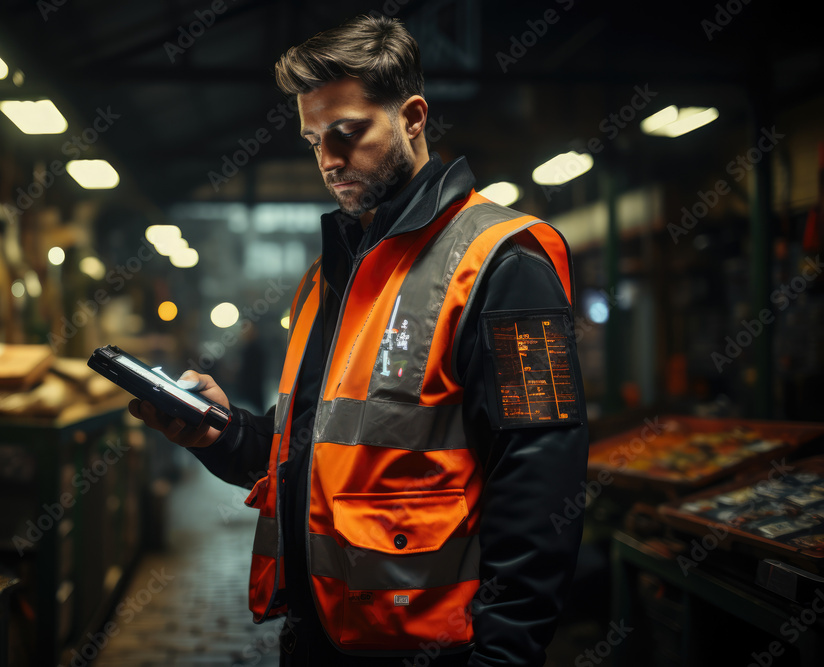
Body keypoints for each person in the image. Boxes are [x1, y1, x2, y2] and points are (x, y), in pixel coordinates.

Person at [129, 15, 588, 667]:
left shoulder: (503, 262)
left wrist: (506, 652)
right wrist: (223, 434)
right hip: (321, 639)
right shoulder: (329, 278)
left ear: (413, 117)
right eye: (314, 139)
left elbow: (542, 475)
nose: (328, 160)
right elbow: (317, 453)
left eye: (347, 133)